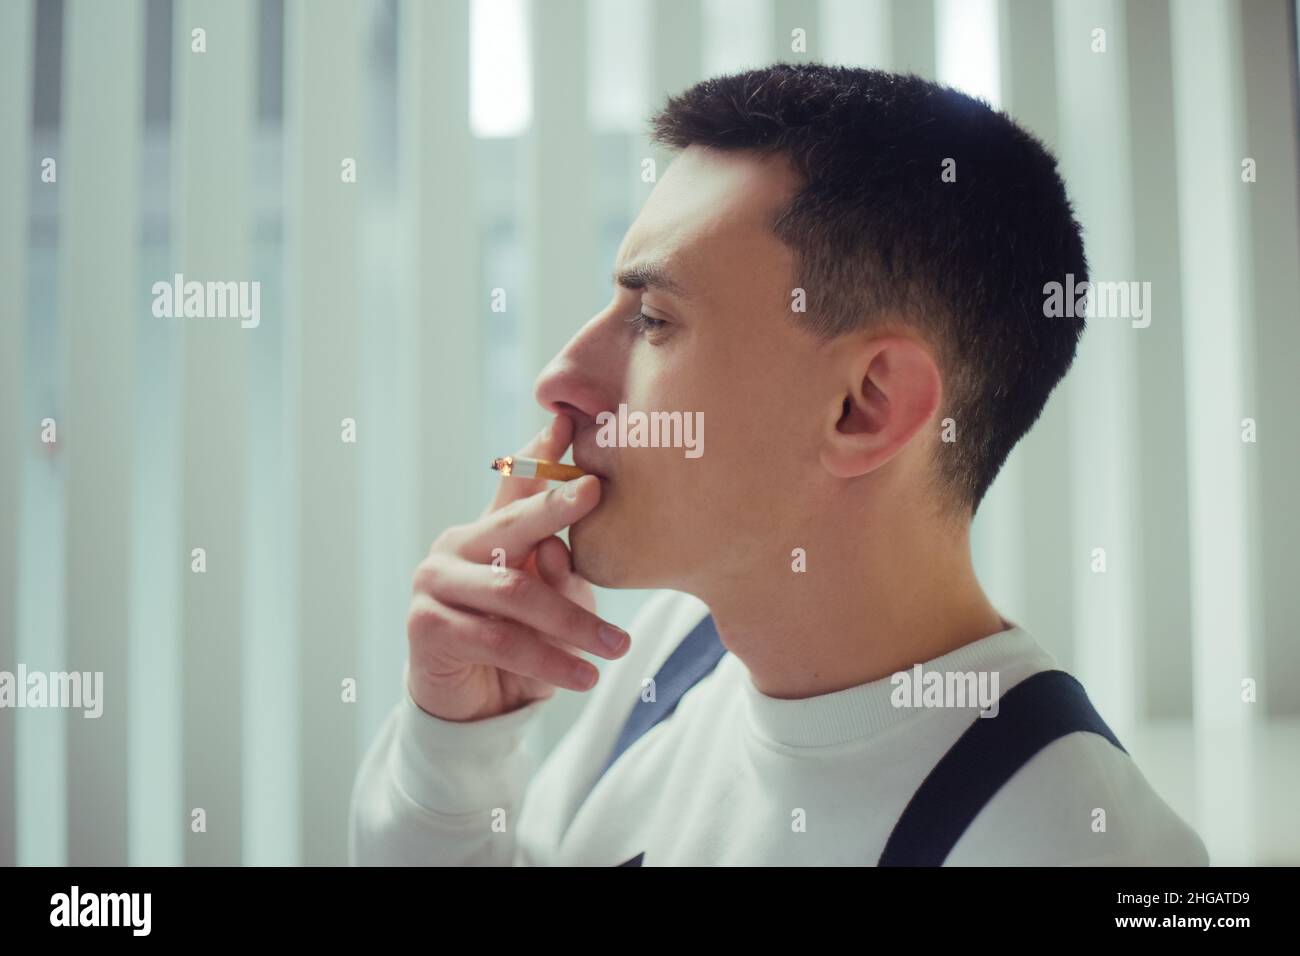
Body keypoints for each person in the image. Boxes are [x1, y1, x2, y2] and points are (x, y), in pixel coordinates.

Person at [348, 63, 1209, 866]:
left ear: (864, 405)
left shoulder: (1072, 844)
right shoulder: (676, 655)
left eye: (652, 319)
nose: (559, 380)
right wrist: (449, 756)